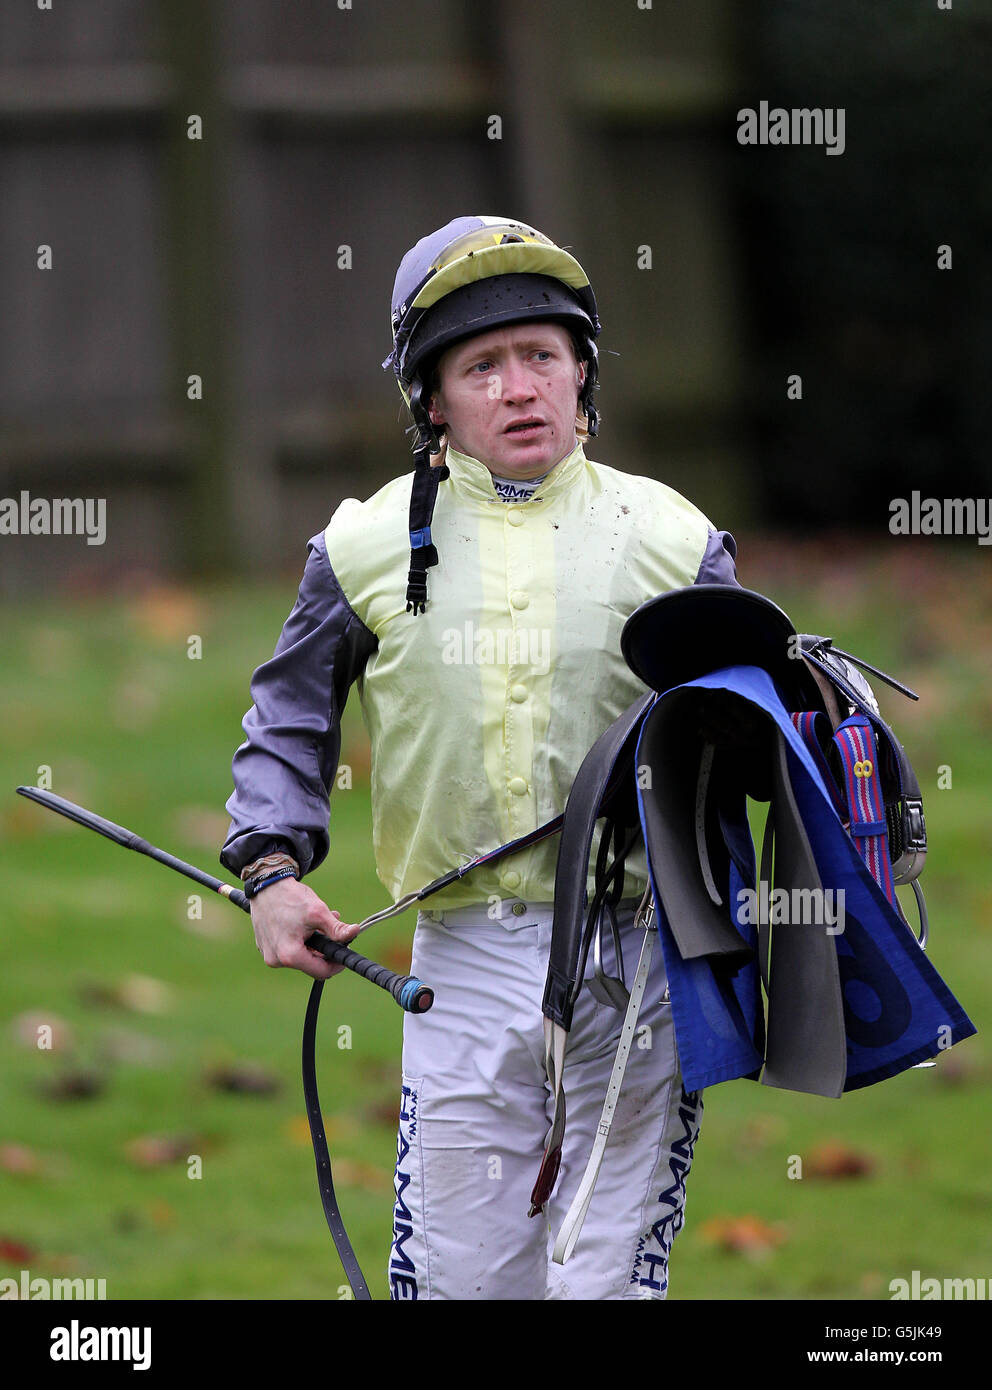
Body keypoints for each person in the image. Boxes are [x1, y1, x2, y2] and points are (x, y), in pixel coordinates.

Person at [220, 215, 740, 1300]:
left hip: (641, 953)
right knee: (463, 1286)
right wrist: (270, 873)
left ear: (582, 371)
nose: (519, 388)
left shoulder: (674, 540)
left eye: (541, 356)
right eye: (482, 366)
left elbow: (753, 744)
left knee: (603, 1287)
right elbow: (289, 717)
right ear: (431, 399)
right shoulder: (360, 546)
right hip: (460, 959)